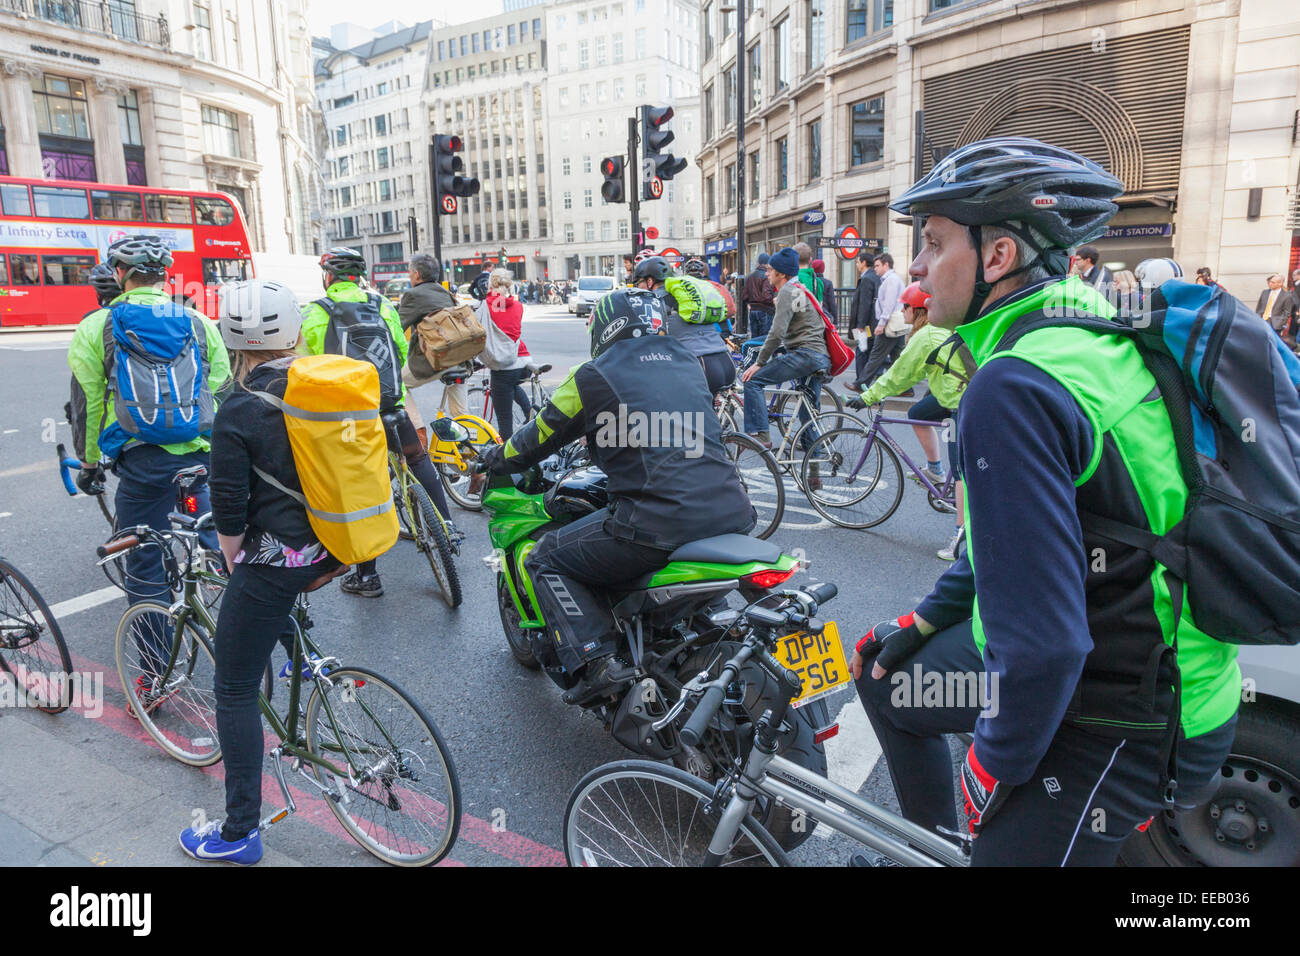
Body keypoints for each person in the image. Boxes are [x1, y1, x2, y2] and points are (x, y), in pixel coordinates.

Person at [850, 136, 1239, 867]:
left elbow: (1046, 645)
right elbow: (1016, 548)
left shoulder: (1018, 382)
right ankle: (939, 850)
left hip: (1125, 713)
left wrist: (989, 772)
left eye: (933, 243)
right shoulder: (1085, 331)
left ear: (997, 258)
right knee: (886, 679)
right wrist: (924, 618)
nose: (917, 266)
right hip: (1140, 669)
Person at [478, 290, 756, 702]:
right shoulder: (688, 362)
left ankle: (597, 661)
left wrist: (497, 457)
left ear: (606, 326)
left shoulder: (594, 374)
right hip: (734, 512)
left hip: (657, 523)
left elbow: (538, 437)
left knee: (545, 558)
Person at [179, 280, 345, 866]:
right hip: (337, 545)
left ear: (232, 341)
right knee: (271, 601)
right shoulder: (326, 383)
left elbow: (228, 509)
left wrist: (234, 558)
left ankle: (240, 832)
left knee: (232, 687)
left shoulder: (239, 408)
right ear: (296, 335)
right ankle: (309, 662)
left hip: (281, 558)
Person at [67, 236, 230, 715]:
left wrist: (92, 463)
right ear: (165, 276)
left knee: (144, 564)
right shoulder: (198, 321)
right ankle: (234, 624)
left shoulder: (97, 325)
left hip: (141, 463)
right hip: (196, 457)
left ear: (119, 275)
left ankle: (156, 674)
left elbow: (90, 405)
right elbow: (218, 383)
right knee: (212, 541)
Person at [300, 247, 459, 598]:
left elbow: (306, 368)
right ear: (359, 276)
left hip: (348, 417)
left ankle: (367, 576)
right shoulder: (382, 305)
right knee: (417, 458)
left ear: (328, 277)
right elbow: (400, 353)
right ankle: (446, 526)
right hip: (390, 405)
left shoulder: (314, 312)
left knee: (362, 487)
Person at [847, 283, 969, 561]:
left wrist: (868, 397)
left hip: (961, 401)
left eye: (905, 307)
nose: (901, 311)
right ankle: (936, 470)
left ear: (918, 310)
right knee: (917, 414)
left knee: (962, 474)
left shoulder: (925, 336)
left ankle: (960, 539)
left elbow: (900, 375)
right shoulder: (937, 329)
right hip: (952, 392)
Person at [740, 247, 831, 468]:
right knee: (807, 414)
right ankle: (814, 473)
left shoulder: (787, 292)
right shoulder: (799, 289)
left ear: (781, 273)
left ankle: (762, 437)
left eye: (770, 270)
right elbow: (799, 326)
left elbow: (777, 332)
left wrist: (759, 363)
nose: (767, 274)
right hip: (819, 356)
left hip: (805, 354)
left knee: (753, 380)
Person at [397, 253, 466, 428]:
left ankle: (418, 432)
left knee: (396, 384)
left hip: (436, 359)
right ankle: (468, 448)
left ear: (417, 274)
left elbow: (396, 328)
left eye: (410, 272)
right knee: (461, 415)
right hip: (461, 358)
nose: (409, 275)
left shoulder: (412, 295)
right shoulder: (446, 292)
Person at [652, 256, 736, 395]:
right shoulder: (712, 287)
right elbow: (731, 309)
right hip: (724, 358)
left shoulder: (669, 299)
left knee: (682, 408)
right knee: (709, 410)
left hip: (701, 363)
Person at [483, 268, 533, 440]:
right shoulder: (518, 306)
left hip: (503, 366)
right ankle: (530, 413)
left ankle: (508, 458)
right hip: (523, 362)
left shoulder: (485, 306)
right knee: (512, 386)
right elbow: (504, 310)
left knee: (504, 420)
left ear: (490, 284)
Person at [854, 253, 907, 389]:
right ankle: (906, 388)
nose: (875, 268)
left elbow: (888, 304)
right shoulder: (889, 280)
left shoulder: (891, 280)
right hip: (894, 324)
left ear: (886, 265)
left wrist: (881, 324)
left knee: (876, 356)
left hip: (889, 324)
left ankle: (861, 384)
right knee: (898, 357)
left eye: (877, 265)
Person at [848, 253, 880, 389]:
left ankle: (860, 382)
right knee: (869, 351)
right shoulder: (875, 277)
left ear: (864, 262)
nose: (856, 265)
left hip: (865, 324)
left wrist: (860, 325)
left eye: (857, 262)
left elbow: (864, 303)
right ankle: (863, 382)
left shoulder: (866, 279)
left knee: (861, 351)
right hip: (872, 322)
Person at [1256, 272, 1297, 346]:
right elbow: (1259, 306)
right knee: (1259, 341)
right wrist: (1257, 317)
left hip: (1275, 323)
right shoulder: (1265, 292)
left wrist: (1281, 324)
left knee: (1272, 343)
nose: (1270, 284)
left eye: (1273, 282)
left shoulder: (1287, 296)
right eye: (1270, 282)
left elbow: (1287, 312)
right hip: (1262, 320)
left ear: (1280, 284)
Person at [741, 252, 776, 339]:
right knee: (764, 339)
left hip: (753, 310)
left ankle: (756, 353)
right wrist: (774, 302)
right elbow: (766, 296)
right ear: (767, 263)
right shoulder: (766, 276)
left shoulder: (749, 276)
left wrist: (751, 303)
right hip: (765, 311)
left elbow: (744, 296)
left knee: (755, 338)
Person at [809, 258, 838, 322]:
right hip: (824, 316)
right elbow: (832, 303)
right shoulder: (828, 283)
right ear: (823, 269)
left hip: (811, 316)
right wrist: (835, 321)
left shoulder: (809, 281)